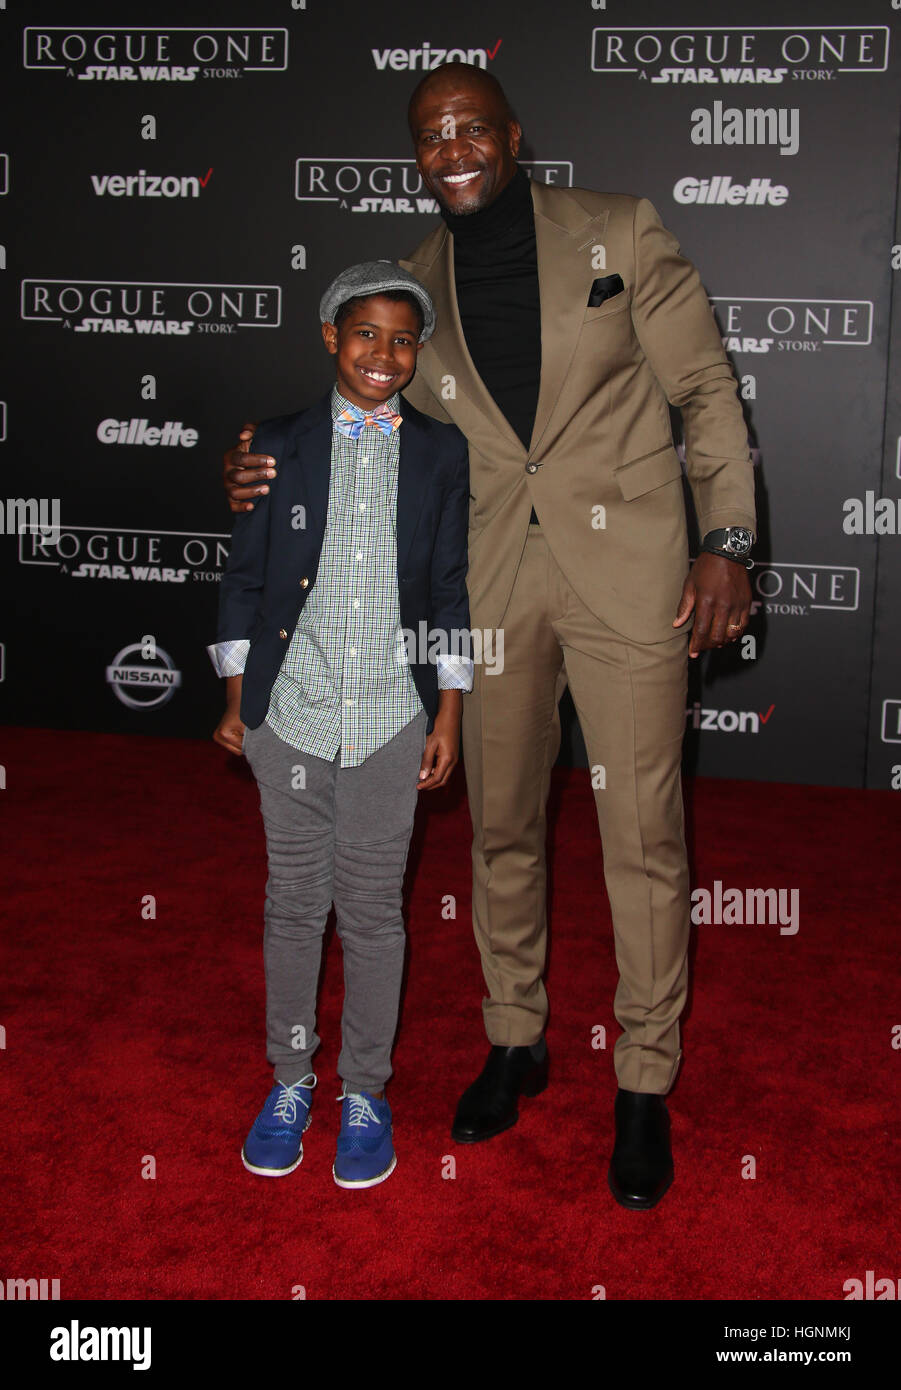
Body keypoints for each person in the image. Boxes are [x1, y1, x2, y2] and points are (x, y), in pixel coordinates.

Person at [222, 65, 757, 1210]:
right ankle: (516, 1037)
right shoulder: (413, 286)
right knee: (502, 825)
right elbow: (365, 425)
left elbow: (706, 389)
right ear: (414, 155)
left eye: (471, 127)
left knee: (643, 833)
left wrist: (726, 539)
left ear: (514, 135)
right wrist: (261, 467)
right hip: (491, 595)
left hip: (632, 583)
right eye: (430, 136)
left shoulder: (617, 229)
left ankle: (644, 1077)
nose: (452, 147)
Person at [209, 261, 471, 1189]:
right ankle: (290, 1078)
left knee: (371, 911)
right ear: (331, 337)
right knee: (292, 901)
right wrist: (241, 699)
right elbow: (243, 581)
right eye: (366, 334)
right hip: (293, 712)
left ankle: (364, 1089)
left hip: (393, 719)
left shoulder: (442, 451)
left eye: (403, 339)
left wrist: (448, 709)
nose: (384, 354)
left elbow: (448, 588)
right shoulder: (275, 442)